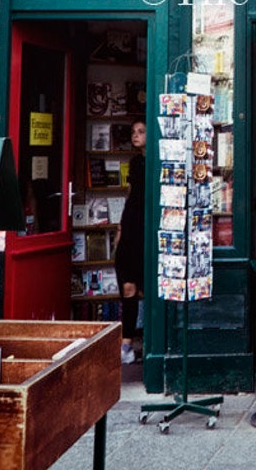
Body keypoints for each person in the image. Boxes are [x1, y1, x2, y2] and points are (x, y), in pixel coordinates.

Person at [114, 119, 146, 364]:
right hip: (131, 227)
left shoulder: (156, 162)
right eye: (134, 132)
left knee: (144, 288)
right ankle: (127, 343)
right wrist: (121, 228)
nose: (136, 136)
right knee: (127, 286)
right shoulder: (135, 162)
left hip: (147, 229)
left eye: (141, 132)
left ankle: (143, 340)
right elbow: (130, 195)